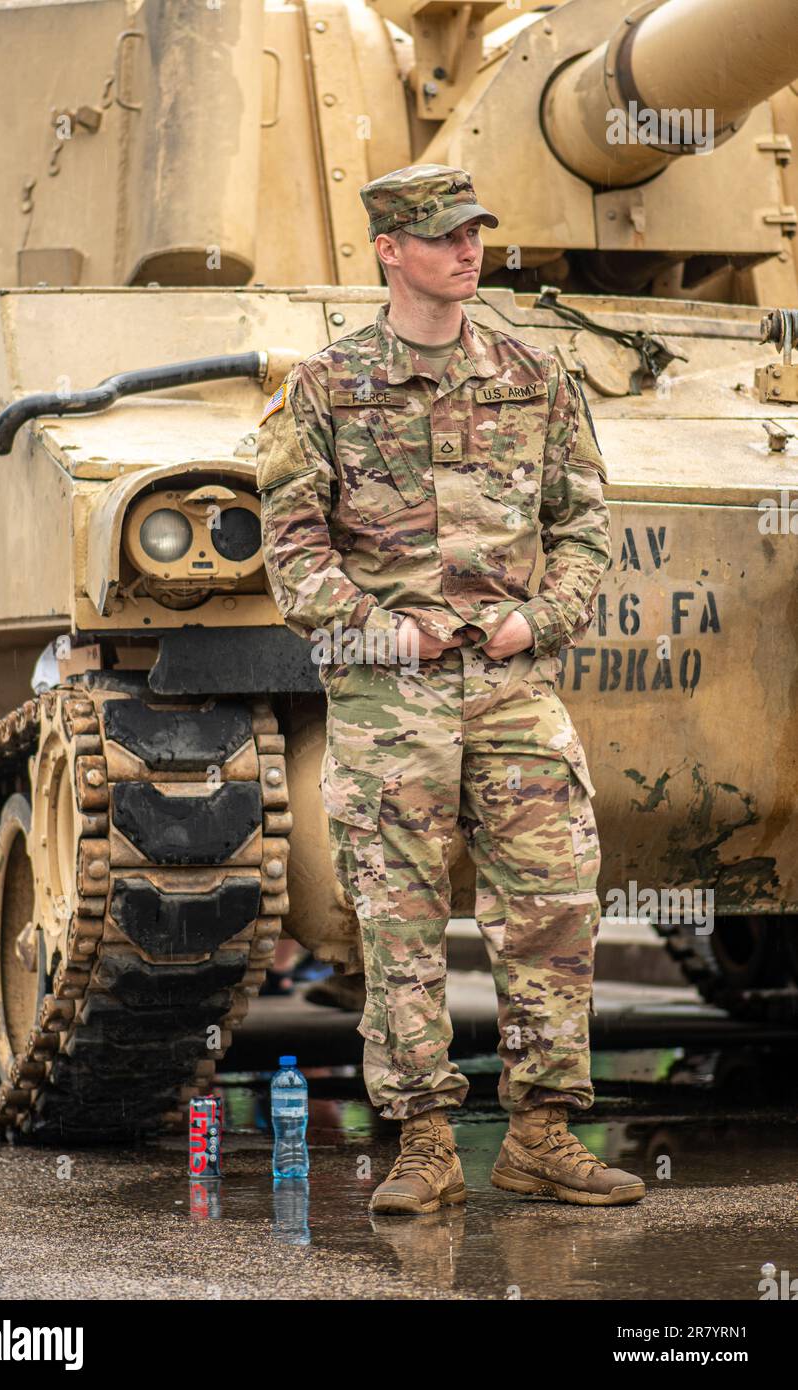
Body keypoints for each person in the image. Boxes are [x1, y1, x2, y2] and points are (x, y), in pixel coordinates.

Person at [255, 163, 646, 1215]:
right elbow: (292, 556)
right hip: (391, 702)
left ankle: (541, 1136)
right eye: (441, 235)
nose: (467, 249)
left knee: (552, 905)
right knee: (398, 919)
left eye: (473, 231)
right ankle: (424, 1142)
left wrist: (541, 619)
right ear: (389, 250)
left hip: (514, 687)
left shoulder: (535, 372)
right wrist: (381, 632)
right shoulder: (322, 387)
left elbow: (583, 524)